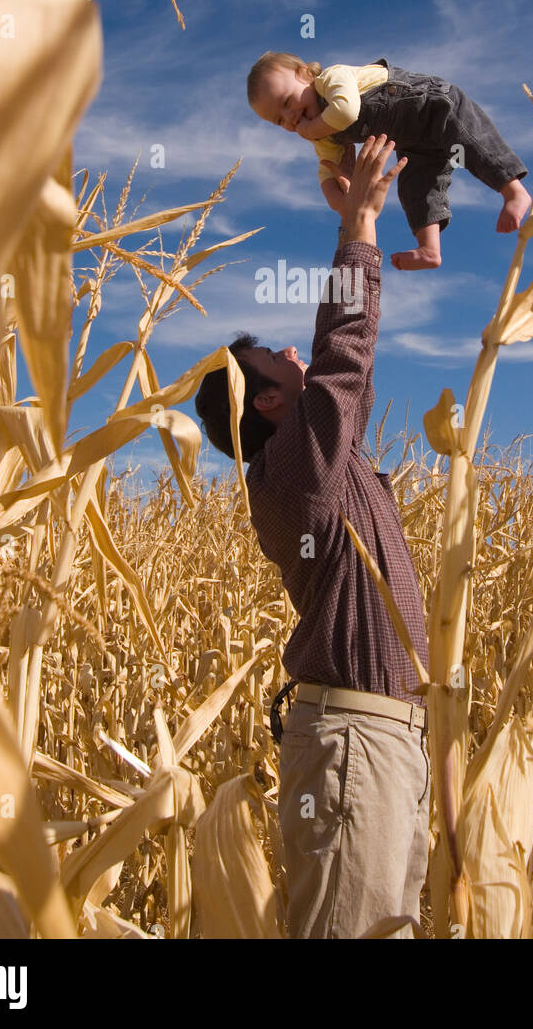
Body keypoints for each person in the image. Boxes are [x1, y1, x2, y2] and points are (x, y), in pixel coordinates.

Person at [194, 135, 431, 939]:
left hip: (383, 742)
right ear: (262, 405)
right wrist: (358, 226)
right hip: (355, 743)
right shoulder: (293, 470)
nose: (294, 353)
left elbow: (343, 384)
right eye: (275, 360)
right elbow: (341, 363)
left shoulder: (327, 466)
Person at [246, 50, 531, 269]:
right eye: (279, 120)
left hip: (432, 104)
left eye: (286, 103)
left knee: (472, 142)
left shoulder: (331, 80)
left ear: (304, 73)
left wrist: (310, 129)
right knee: (415, 188)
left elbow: (346, 111)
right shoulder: (323, 137)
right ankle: (430, 248)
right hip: (413, 143)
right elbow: (327, 174)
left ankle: (513, 191)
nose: (291, 119)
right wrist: (343, 200)